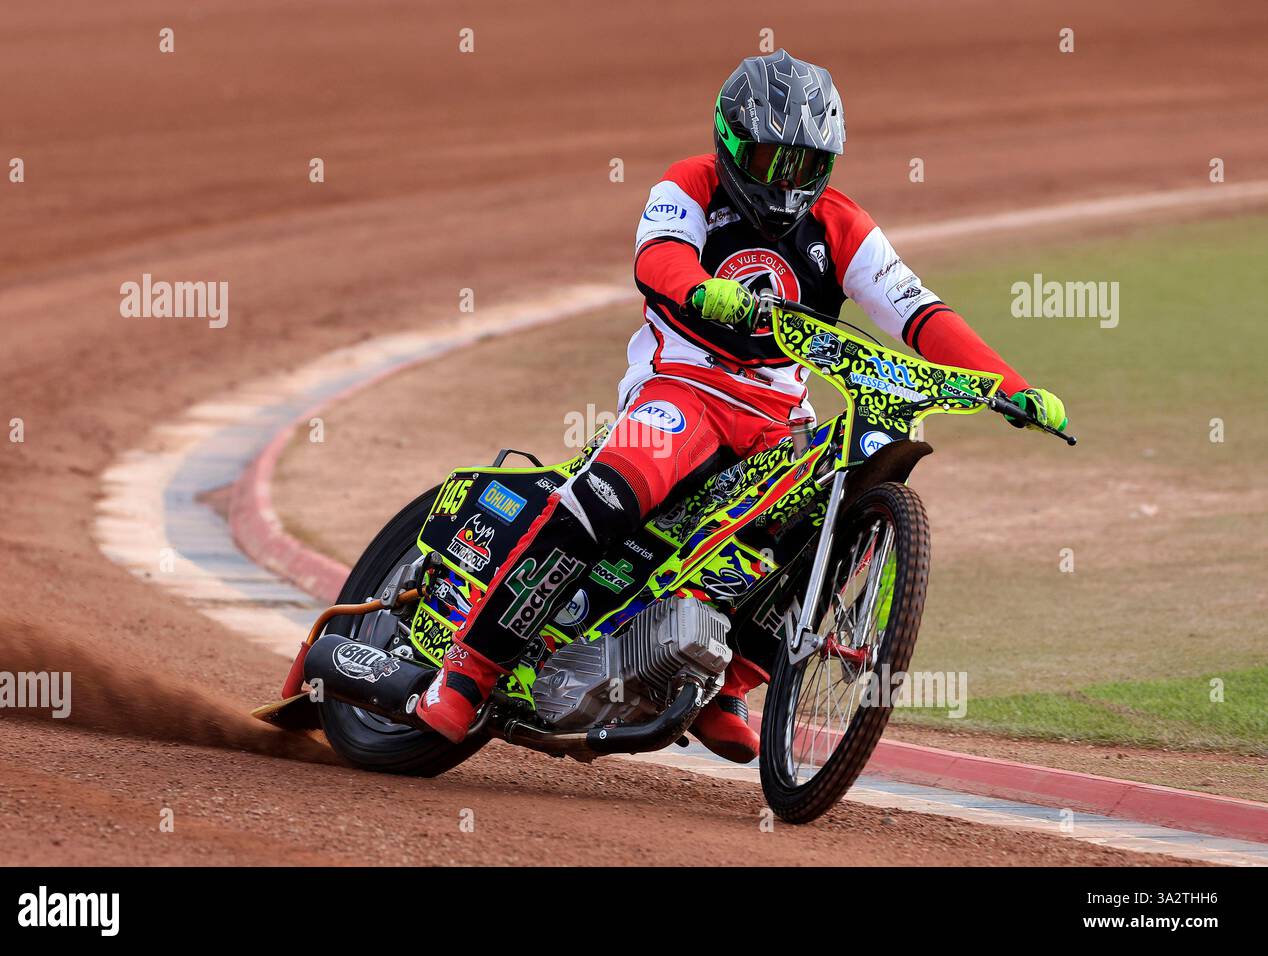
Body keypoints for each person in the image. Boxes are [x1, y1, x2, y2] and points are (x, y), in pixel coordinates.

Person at [416, 50, 1067, 761]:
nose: (788, 183)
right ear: (730, 142)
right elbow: (656, 255)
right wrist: (699, 289)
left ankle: (729, 686)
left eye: (806, 166)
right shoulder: (688, 182)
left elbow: (917, 312)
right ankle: (468, 673)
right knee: (607, 498)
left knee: (825, 525)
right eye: (769, 159)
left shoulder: (843, 224)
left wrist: (1009, 386)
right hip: (682, 389)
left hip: (777, 417)